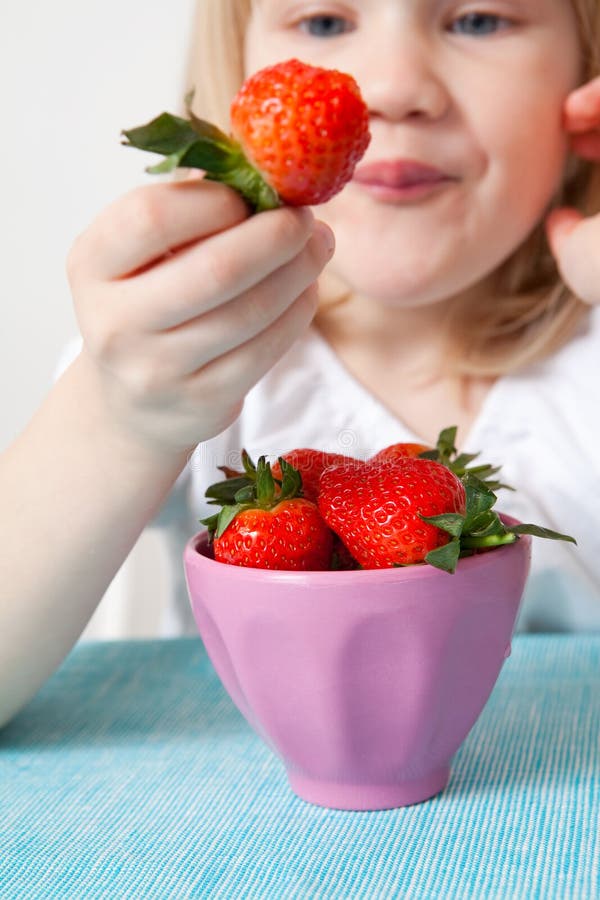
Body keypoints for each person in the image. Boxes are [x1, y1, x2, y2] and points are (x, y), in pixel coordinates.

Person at [1, 0, 600, 727]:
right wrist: (121, 418)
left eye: (477, 20)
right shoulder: (172, 356)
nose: (393, 87)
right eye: (323, 22)